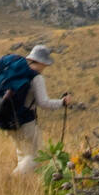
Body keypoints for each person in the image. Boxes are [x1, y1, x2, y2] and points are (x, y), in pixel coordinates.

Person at [13, 44, 72, 175]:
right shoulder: (36, 77)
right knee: (35, 157)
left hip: (13, 121)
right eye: (45, 63)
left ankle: (20, 187)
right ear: (40, 61)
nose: (46, 67)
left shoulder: (19, 73)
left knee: (23, 156)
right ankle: (12, 179)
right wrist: (62, 102)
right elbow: (43, 103)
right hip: (27, 122)